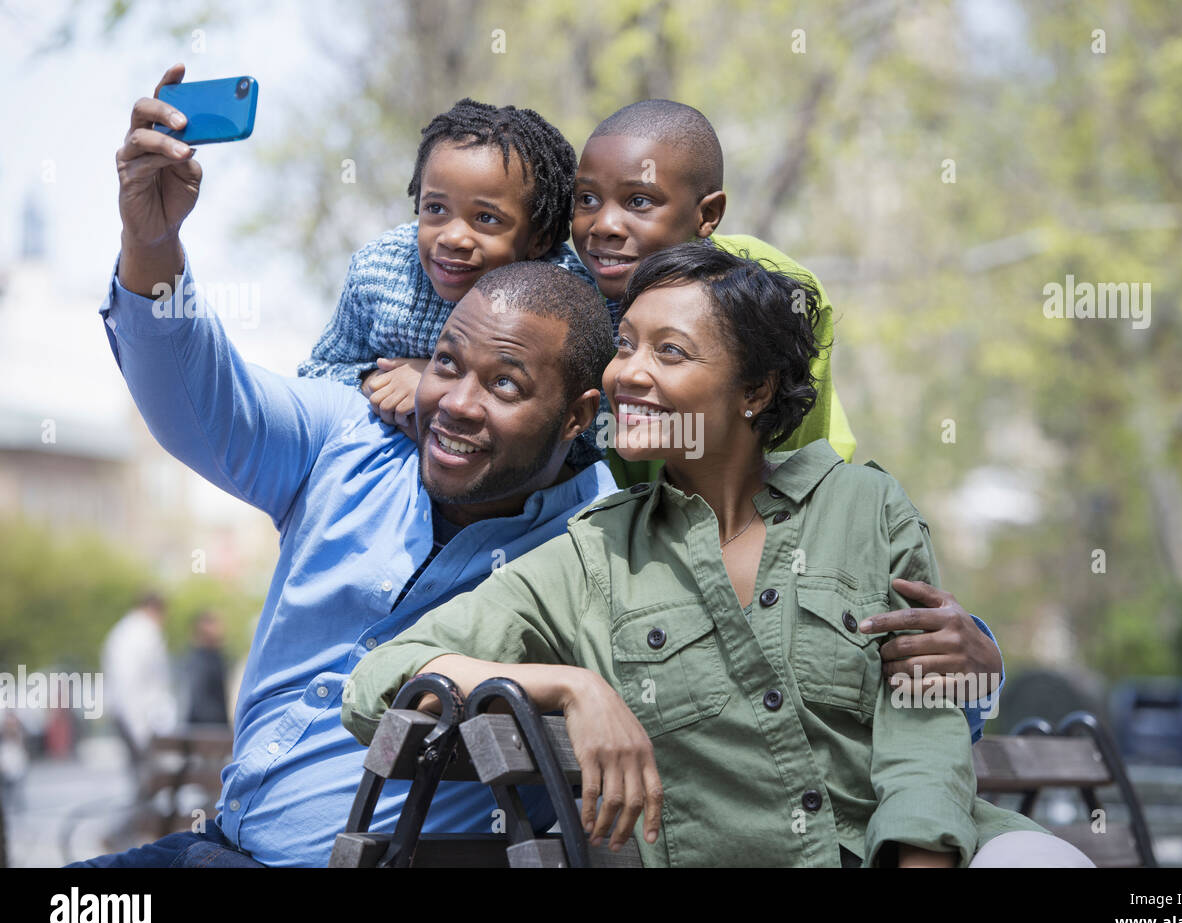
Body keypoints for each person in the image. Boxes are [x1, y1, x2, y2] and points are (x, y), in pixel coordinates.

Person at [343, 243, 1094, 867]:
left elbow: (923, 723)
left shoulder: (866, 508)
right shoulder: (592, 555)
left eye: (670, 352)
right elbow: (377, 681)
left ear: (755, 389)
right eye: (627, 344)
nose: (627, 373)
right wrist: (572, 686)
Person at [74, 64, 620, 867]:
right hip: (215, 849)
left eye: (505, 382)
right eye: (443, 361)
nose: (459, 402)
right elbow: (201, 402)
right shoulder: (347, 431)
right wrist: (151, 240)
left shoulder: (602, 539)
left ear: (579, 413)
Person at [297, 96, 601, 467]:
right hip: (390, 464)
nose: (453, 237)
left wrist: (437, 381)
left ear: (539, 239)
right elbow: (316, 374)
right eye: (436, 209)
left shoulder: (566, 296)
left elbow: (592, 427)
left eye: (487, 218)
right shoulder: (381, 269)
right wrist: (375, 381)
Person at [571, 98, 856, 486]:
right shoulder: (569, 297)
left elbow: (799, 449)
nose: (603, 225)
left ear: (706, 215)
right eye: (587, 199)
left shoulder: (761, 287)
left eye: (639, 201)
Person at [101, 592, 178, 769]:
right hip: (142, 719)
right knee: (148, 774)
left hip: (133, 715)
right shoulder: (141, 634)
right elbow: (129, 683)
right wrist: (140, 730)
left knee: (143, 775)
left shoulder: (125, 632)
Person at [184, 610, 230, 727]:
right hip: (204, 729)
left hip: (215, 728)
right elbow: (198, 701)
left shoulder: (217, 658)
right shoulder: (199, 660)